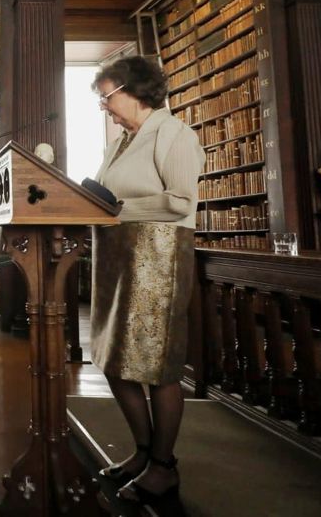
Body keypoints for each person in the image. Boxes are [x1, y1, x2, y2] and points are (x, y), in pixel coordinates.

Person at [89, 56, 205, 504]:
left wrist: (114, 212)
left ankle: (164, 465)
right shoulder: (121, 142)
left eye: (107, 95)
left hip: (158, 255)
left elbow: (179, 202)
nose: (103, 106)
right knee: (114, 359)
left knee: (155, 365)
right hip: (117, 255)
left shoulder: (173, 133)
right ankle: (142, 450)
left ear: (135, 90)